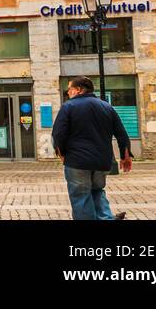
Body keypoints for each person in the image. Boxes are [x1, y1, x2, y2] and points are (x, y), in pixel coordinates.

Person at [51, 76, 132, 220]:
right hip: (102, 161)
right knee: (97, 191)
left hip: (77, 161)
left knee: (80, 196)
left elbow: (58, 134)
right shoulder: (106, 106)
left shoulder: (68, 106)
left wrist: (61, 153)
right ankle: (106, 218)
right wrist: (125, 157)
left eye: (69, 89)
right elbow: (122, 134)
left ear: (78, 90)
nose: (68, 92)